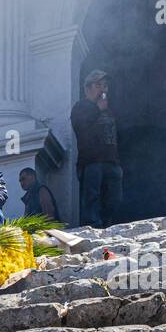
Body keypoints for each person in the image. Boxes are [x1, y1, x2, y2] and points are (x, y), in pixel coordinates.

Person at [70, 70, 122, 227]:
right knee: (92, 197)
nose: (103, 90)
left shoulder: (110, 110)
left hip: (111, 162)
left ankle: (107, 224)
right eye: (98, 85)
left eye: (105, 86)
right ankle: (92, 226)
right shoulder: (80, 107)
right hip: (92, 162)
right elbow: (80, 127)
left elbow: (115, 137)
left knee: (114, 198)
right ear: (87, 89)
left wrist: (118, 162)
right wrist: (97, 109)